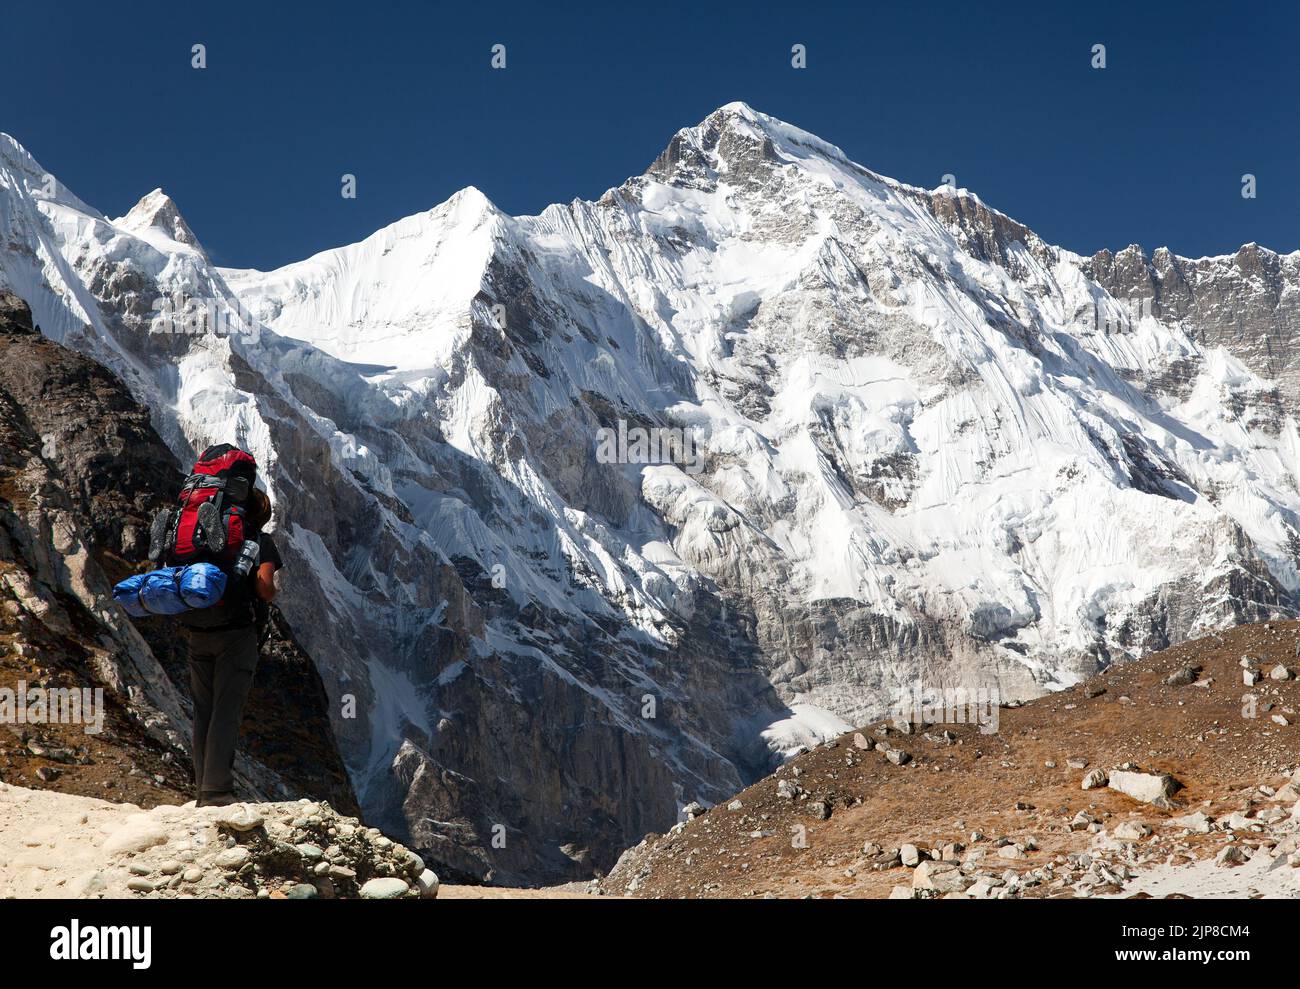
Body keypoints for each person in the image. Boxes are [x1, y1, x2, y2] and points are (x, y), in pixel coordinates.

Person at [182, 486, 283, 807]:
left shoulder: (207, 542)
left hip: (198, 630)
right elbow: (265, 589)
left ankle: (202, 788)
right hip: (236, 637)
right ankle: (216, 793)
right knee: (226, 712)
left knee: (204, 711)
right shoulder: (260, 542)